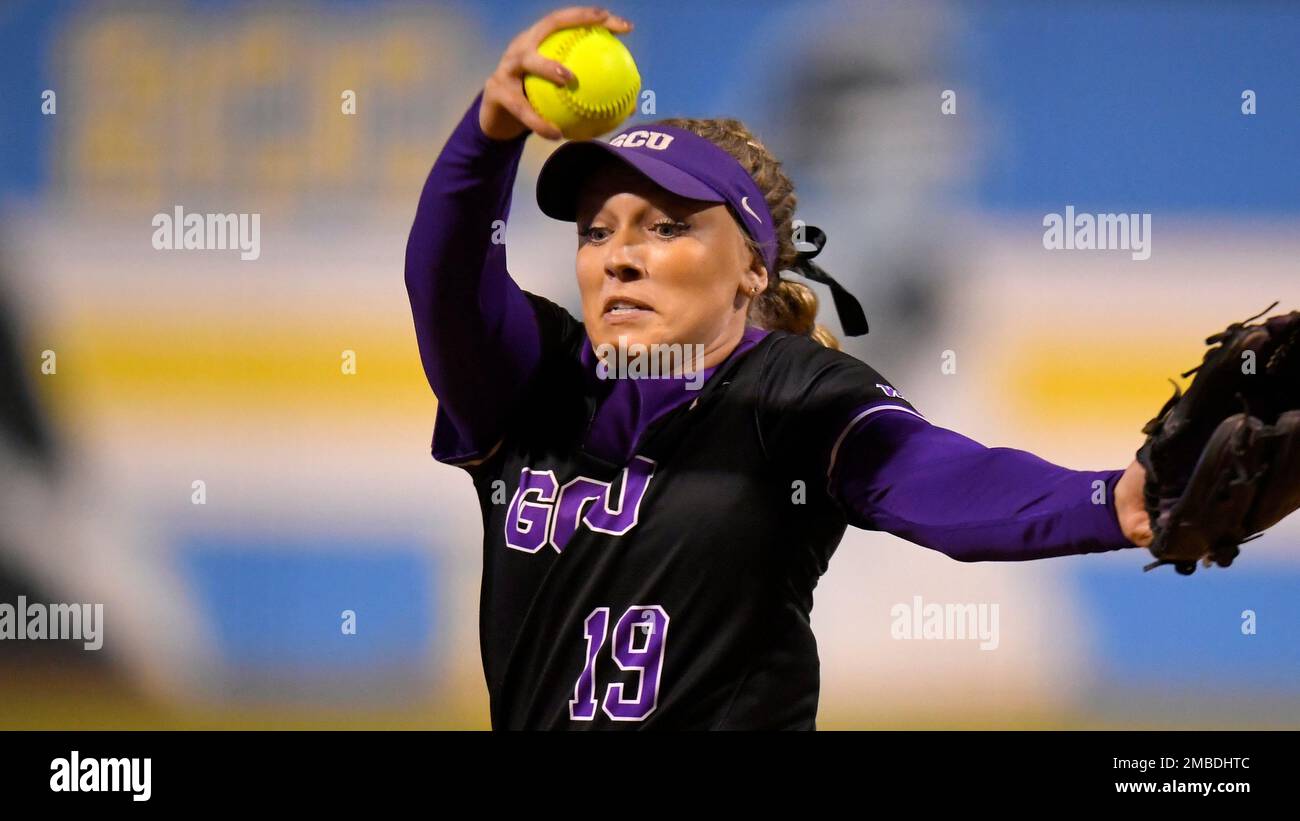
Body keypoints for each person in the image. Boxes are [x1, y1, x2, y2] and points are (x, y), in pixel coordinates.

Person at [405, 6, 1151, 729]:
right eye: (596, 231)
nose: (620, 256)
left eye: (667, 227)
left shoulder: (795, 395)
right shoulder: (536, 379)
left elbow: (945, 482)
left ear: (751, 271)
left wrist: (1108, 500)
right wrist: (490, 133)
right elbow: (444, 277)